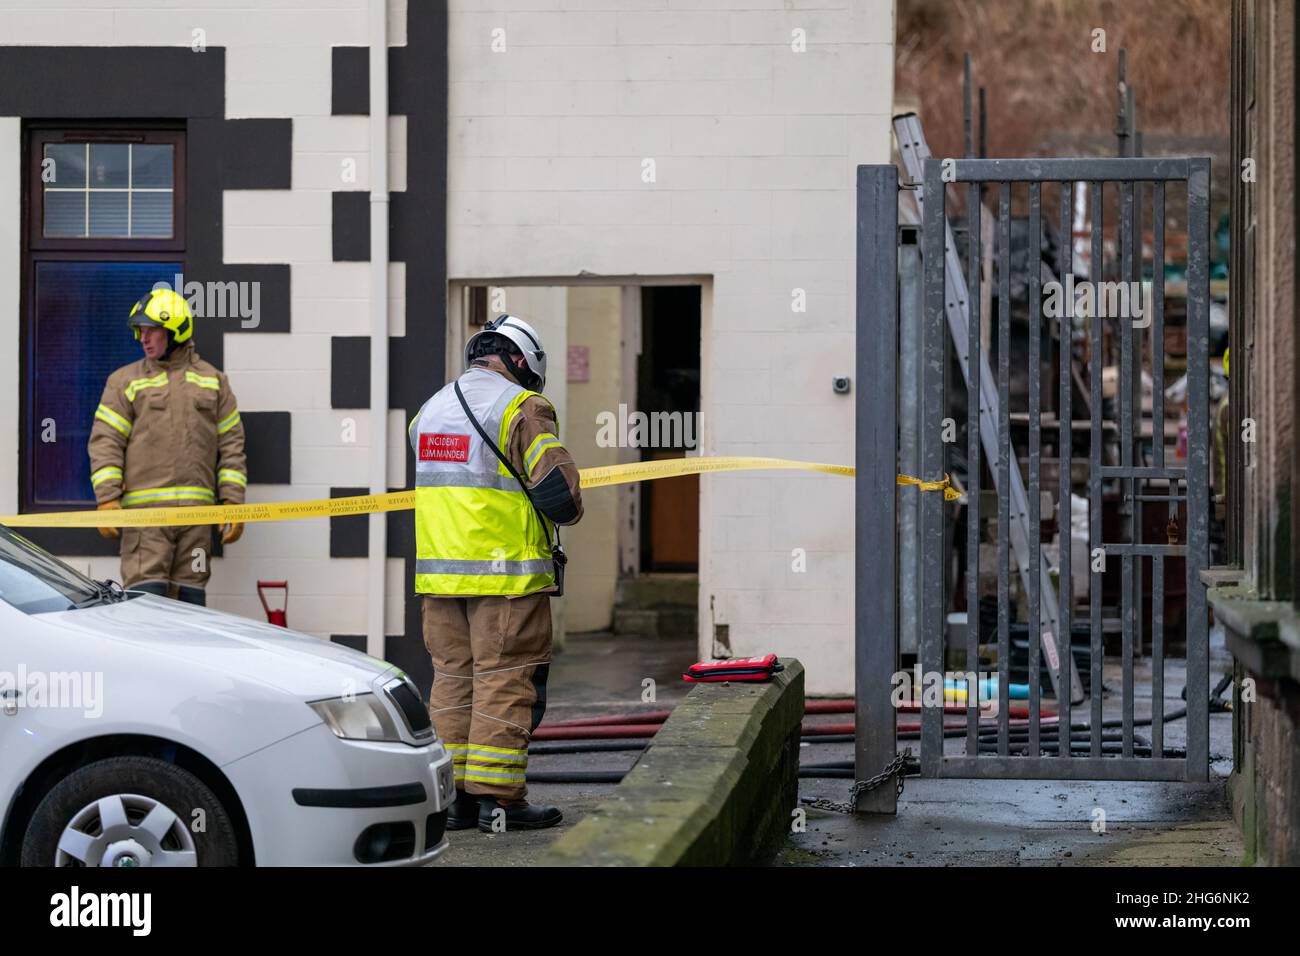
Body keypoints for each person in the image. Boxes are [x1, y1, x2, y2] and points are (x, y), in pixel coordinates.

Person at [409, 314, 583, 832]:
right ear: (522, 363)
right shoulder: (522, 407)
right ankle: (500, 802)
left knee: (452, 684)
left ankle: (455, 802)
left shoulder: (429, 411)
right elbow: (560, 496)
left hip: (440, 580)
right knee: (504, 682)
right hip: (505, 579)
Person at [88, 288, 247, 605]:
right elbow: (106, 441)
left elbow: (231, 445)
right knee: (146, 606)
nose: (143, 339)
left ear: (176, 331)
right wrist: (107, 500)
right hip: (146, 524)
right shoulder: (125, 382)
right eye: (141, 331)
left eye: (152, 330)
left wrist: (233, 502)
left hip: (197, 524)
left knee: (191, 606)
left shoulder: (214, 381)